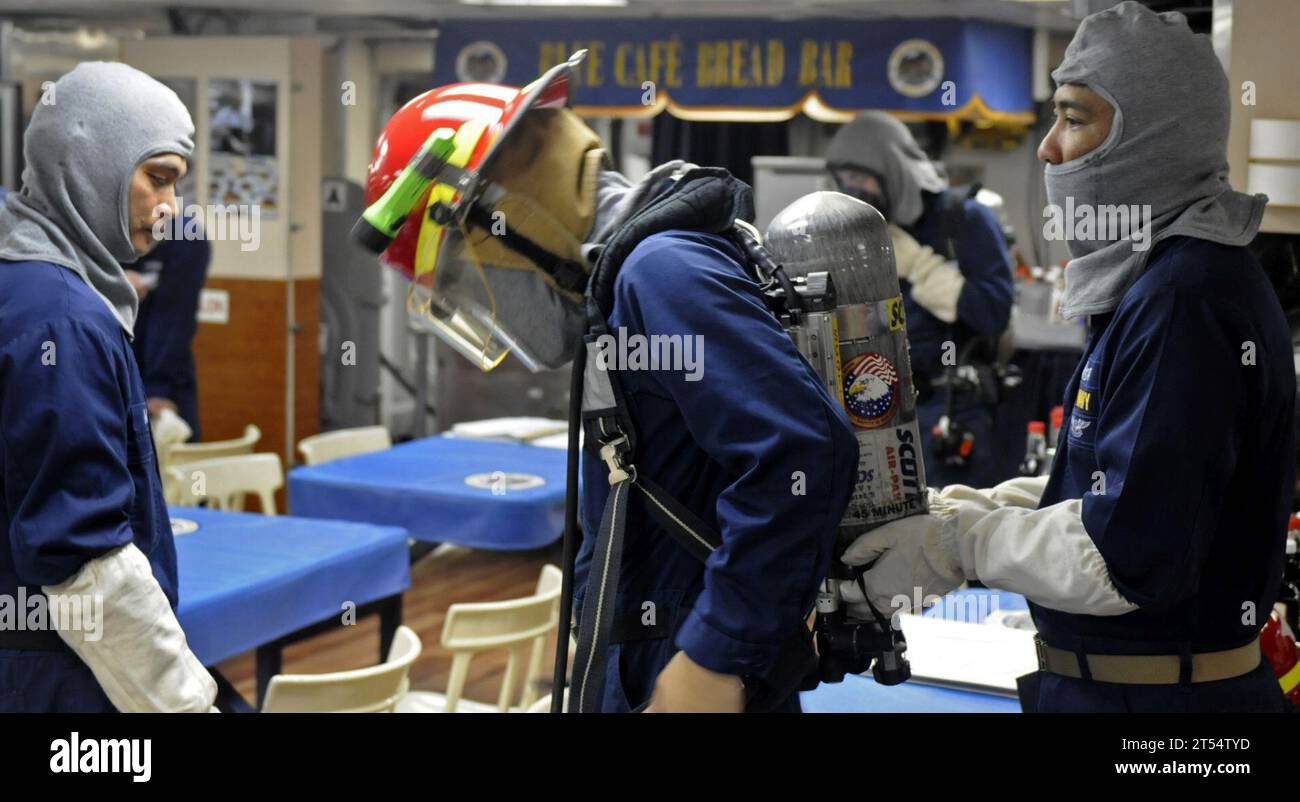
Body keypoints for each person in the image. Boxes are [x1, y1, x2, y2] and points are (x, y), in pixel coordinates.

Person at [360, 57, 859, 712]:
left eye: (464, 274)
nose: (491, 305)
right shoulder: (623, 289)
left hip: (684, 665)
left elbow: (804, 451)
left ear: (504, 213)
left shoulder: (660, 270)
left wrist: (712, 657)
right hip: (646, 655)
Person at [840, 1, 1292, 713]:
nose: (1048, 149)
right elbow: (1103, 493)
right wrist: (960, 508)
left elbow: (1123, 560)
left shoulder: (1184, 301)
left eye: (1074, 119)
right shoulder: (1158, 281)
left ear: (1154, 136)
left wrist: (959, 544)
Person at [0, 62, 215, 712]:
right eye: (158, 179)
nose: (170, 210)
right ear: (89, 161)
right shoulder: (63, 317)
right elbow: (83, 559)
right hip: (58, 679)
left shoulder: (23, 280)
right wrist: (184, 704)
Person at [825, 112, 1013, 489]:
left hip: (949, 406)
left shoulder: (964, 220)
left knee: (954, 527)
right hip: (871, 410)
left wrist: (919, 267)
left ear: (893, 170)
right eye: (845, 179)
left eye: (862, 177)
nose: (853, 188)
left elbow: (993, 312)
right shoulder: (858, 232)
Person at [126, 220, 210, 440]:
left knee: (174, 464)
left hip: (164, 375)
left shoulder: (185, 236)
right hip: (108, 372)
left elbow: (174, 321)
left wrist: (159, 387)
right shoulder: (98, 230)